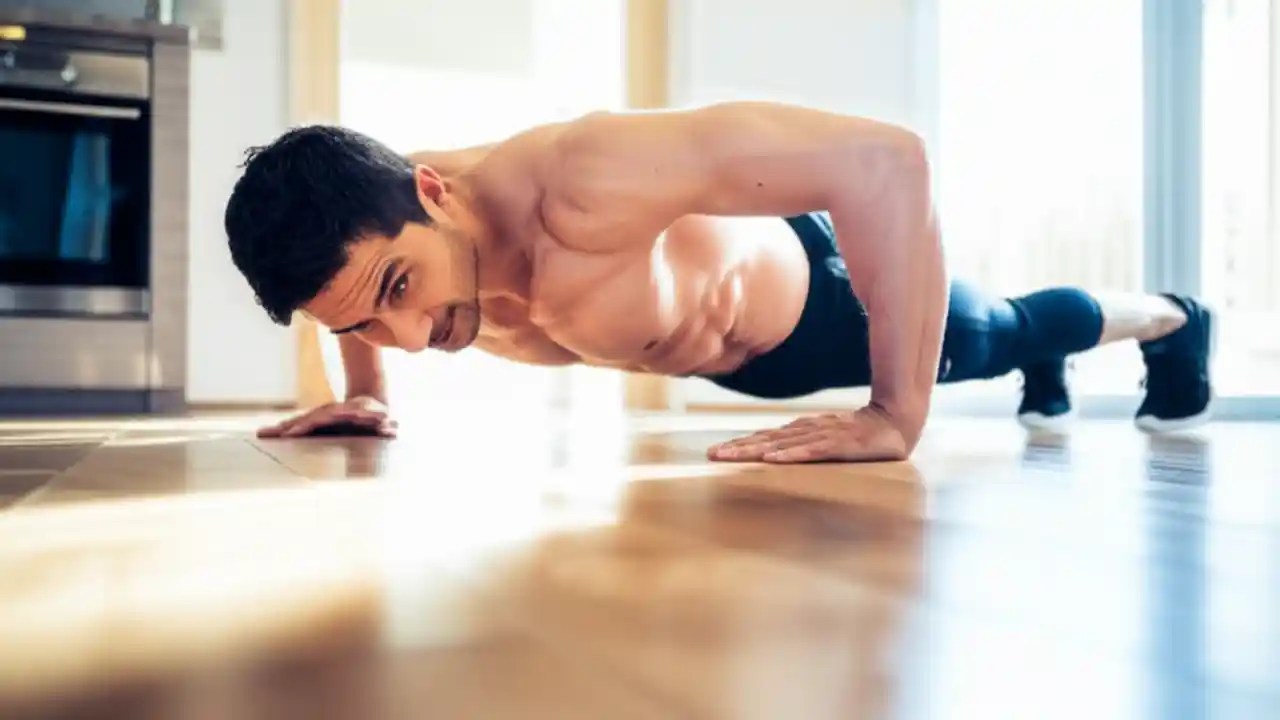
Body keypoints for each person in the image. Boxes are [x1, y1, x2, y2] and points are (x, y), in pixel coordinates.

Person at [224, 102, 1213, 463]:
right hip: (734, 369)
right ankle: (1042, 368)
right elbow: (354, 293)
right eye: (363, 323)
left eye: (398, 293)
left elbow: (889, 162)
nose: (406, 336)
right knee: (1006, 342)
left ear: (433, 192)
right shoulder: (383, 237)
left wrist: (894, 412)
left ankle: (1171, 318)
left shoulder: (585, 177)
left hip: (818, 309)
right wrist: (363, 394)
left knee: (997, 330)